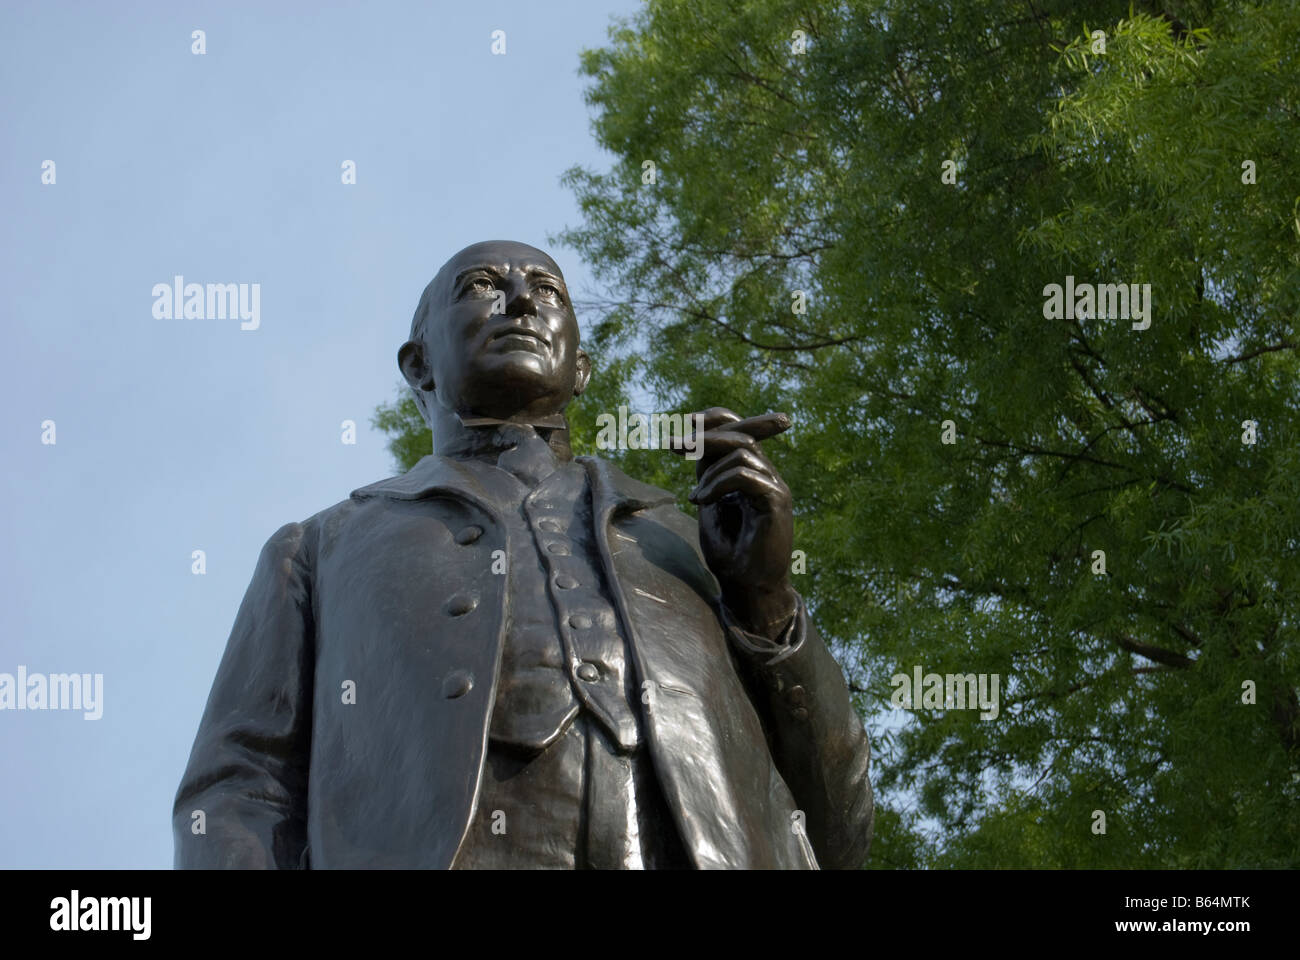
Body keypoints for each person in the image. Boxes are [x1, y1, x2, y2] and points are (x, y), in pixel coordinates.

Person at [173, 240, 872, 869]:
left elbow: (838, 831)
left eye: (548, 290)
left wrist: (766, 600)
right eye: (482, 285)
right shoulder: (323, 550)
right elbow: (238, 791)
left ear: (583, 367)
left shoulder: (686, 538)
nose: (520, 302)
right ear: (418, 365)